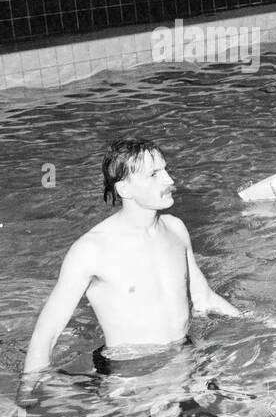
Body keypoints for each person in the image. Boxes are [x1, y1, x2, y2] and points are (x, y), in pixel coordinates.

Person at [23, 139, 243, 374]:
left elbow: (204, 297)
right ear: (124, 189)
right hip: (131, 373)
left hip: (185, 356)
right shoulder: (91, 250)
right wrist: (27, 398)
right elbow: (46, 335)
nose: (170, 180)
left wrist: (263, 325)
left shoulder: (175, 229)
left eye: (166, 170)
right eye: (154, 175)